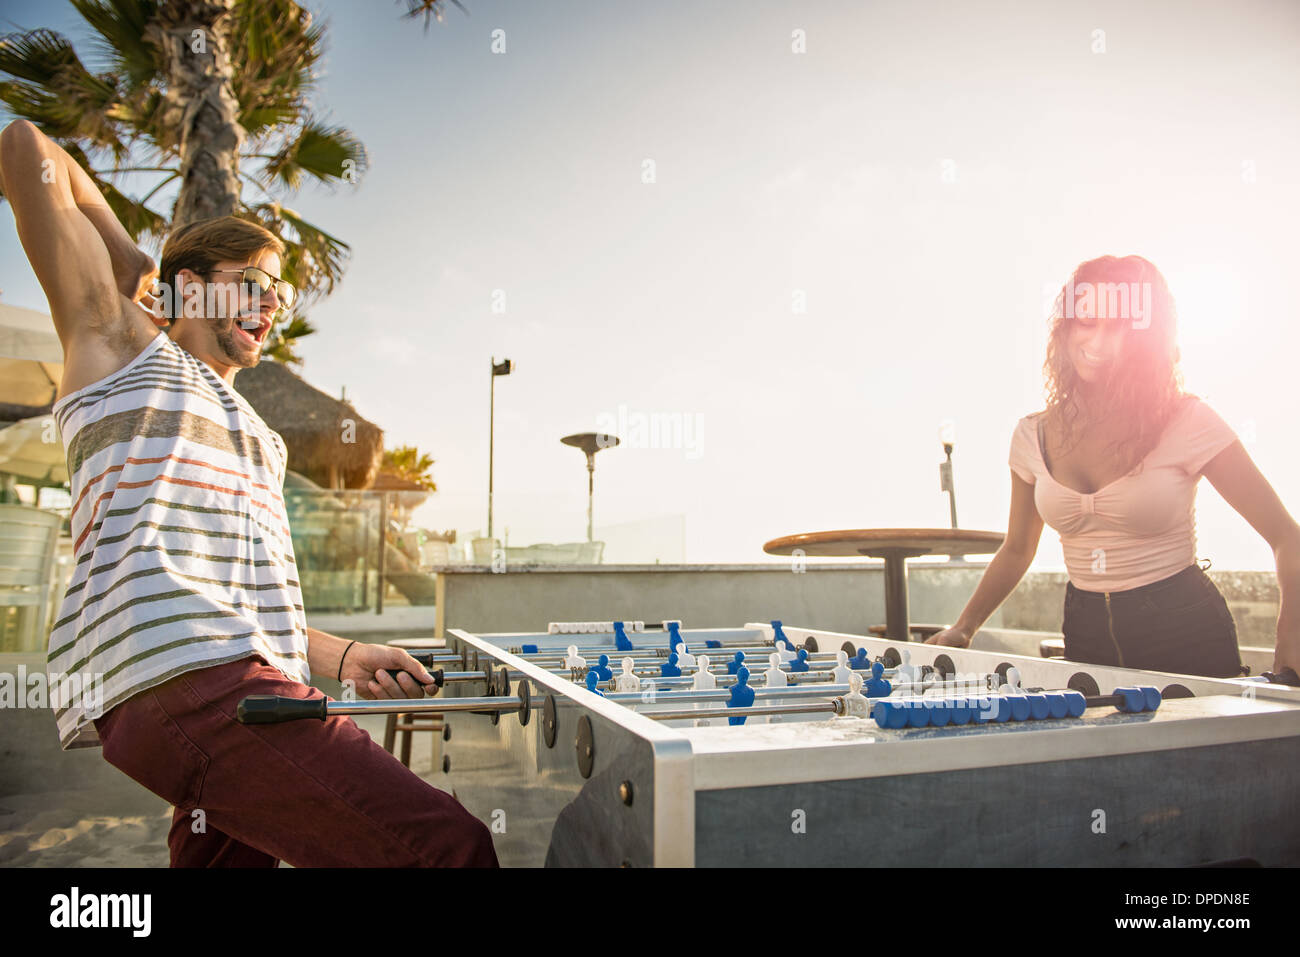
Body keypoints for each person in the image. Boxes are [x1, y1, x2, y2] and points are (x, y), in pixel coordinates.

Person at [0, 119, 496, 867]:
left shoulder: (258, 435)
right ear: (190, 288)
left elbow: (240, 609)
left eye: (281, 293)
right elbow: (24, 149)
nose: (272, 306)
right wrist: (133, 257)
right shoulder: (125, 351)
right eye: (256, 284)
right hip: (192, 681)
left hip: (230, 679)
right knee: (446, 847)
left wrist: (344, 654)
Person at [926, 255, 1300, 679]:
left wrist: (1290, 640)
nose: (1099, 342)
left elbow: (1287, 537)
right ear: (1065, 329)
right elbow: (1017, 549)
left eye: (1120, 326)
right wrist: (964, 626)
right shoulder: (1032, 435)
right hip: (1085, 633)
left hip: (1186, 631)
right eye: (1087, 322)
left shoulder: (1189, 421)